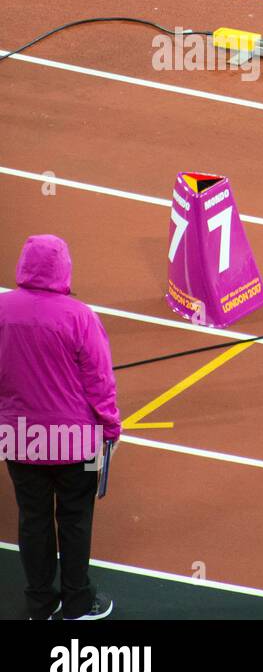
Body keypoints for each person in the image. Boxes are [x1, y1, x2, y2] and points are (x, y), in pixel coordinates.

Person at [0, 235, 120, 619]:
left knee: (32, 518)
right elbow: (100, 381)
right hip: (78, 444)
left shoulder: (2, 310)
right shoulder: (80, 316)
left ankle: (39, 602)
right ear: (63, 267)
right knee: (76, 518)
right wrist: (110, 428)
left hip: (19, 440)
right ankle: (77, 602)